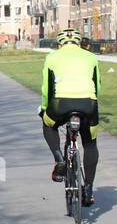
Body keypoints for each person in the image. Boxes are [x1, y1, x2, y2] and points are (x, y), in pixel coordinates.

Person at [38, 27, 100, 206]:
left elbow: (46, 88)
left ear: (59, 44)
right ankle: (88, 189)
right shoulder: (91, 57)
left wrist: (44, 108)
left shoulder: (52, 57)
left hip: (61, 104)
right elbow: (97, 86)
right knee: (90, 143)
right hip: (88, 104)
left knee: (48, 124)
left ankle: (59, 159)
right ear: (80, 43)